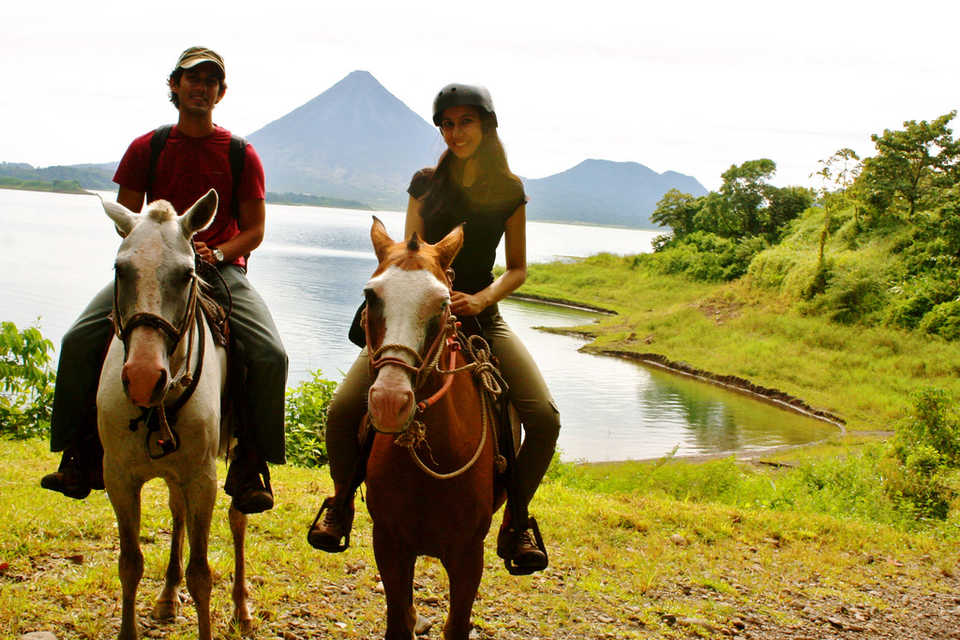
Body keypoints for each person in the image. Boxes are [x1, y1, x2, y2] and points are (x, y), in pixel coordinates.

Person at [308, 83, 559, 573]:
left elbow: (517, 269)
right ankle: (340, 503)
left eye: (466, 122)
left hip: (481, 316)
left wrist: (481, 299)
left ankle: (517, 519)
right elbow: (409, 252)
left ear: (486, 126)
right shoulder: (424, 182)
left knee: (544, 417)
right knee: (342, 411)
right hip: (419, 315)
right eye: (447, 123)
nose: (455, 132)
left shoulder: (509, 191)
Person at [40, 46, 288, 514]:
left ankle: (251, 462)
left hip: (219, 270)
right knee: (79, 339)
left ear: (222, 92)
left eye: (211, 81)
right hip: (155, 271)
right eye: (193, 79)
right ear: (174, 85)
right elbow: (129, 223)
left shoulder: (240, 153)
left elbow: (254, 230)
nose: (202, 87)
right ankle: (81, 452)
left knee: (270, 353)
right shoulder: (147, 148)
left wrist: (217, 251)